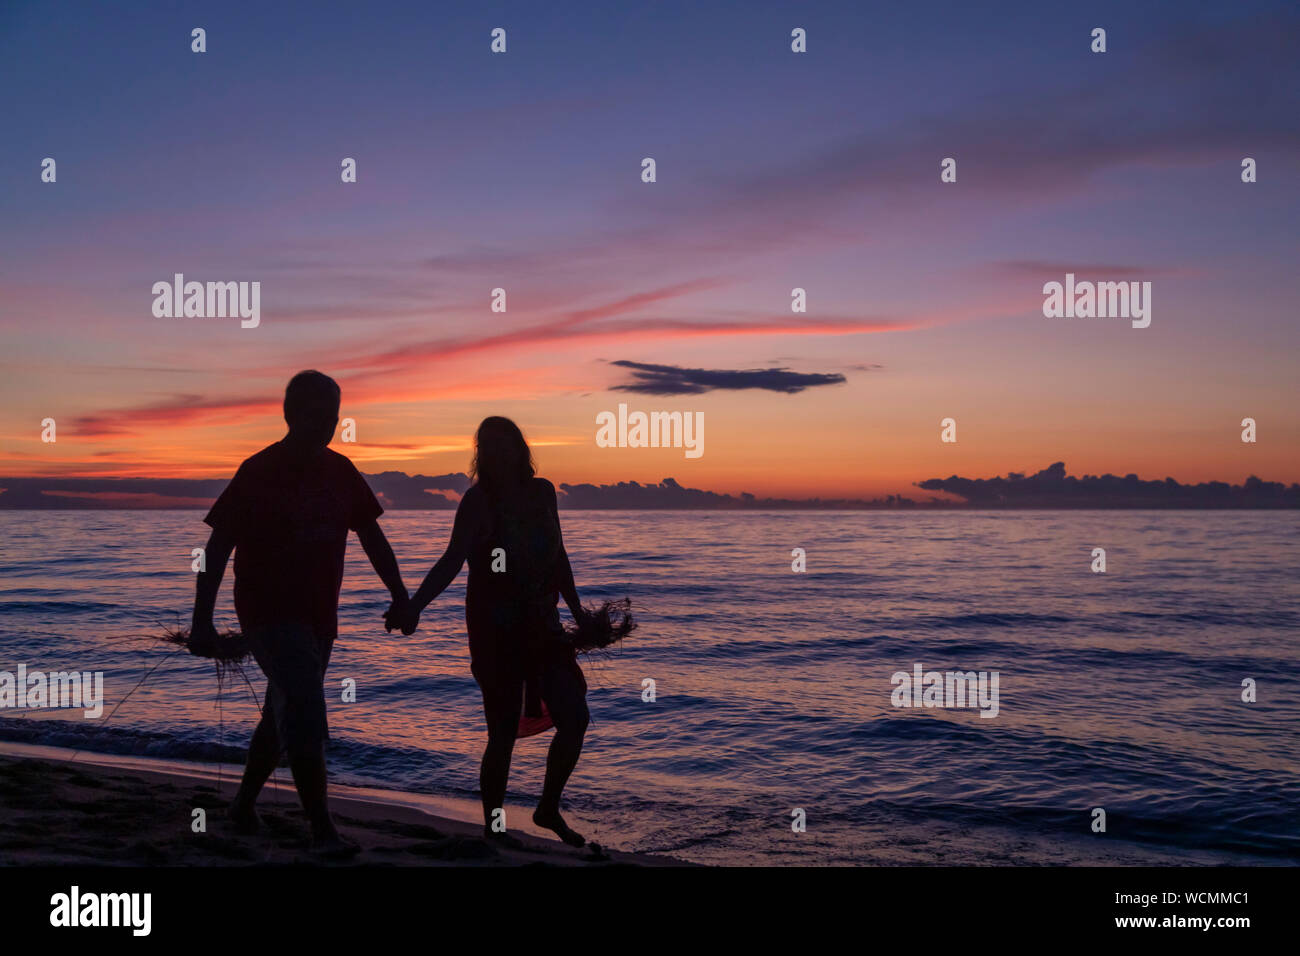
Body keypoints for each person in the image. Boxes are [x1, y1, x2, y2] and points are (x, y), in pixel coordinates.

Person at [188, 370, 410, 858]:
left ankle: (242, 807)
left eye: (332, 418)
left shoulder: (341, 470)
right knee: (306, 707)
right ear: (290, 415)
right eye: (315, 416)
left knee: (280, 711)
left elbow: (371, 535)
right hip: (267, 613)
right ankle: (322, 830)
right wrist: (201, 619)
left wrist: (400, 595)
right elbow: (217, 546)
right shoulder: (259, 470)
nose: (325, 426)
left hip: (318, 617)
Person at [387, 416, 591, 847]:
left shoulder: (543, 493)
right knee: (501, 735)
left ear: (521, 449)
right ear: (481, 456)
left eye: (507, 446)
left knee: (575, 717)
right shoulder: (478, 503)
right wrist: (414, 606)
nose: (498, 455)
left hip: (545, 628)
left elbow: (559, 556)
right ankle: (494, 828)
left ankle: (547, 807)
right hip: (496, 633)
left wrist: (579, 613)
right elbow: (451, 560)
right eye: (489, 448)